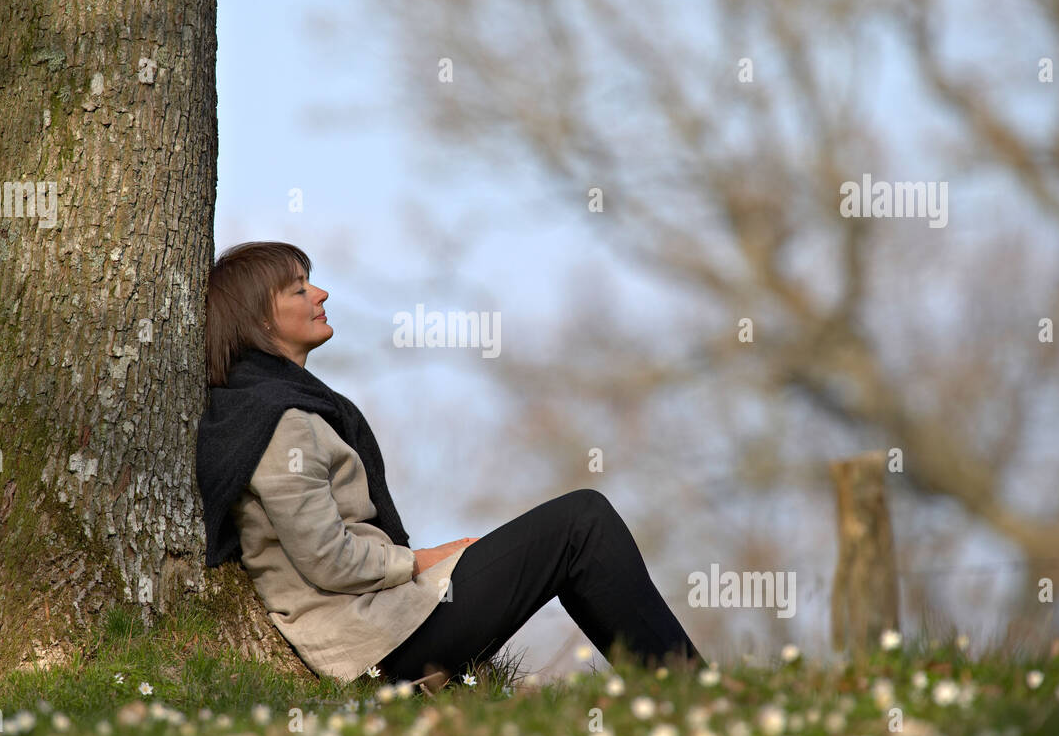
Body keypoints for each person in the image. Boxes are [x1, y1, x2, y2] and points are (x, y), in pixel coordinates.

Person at [196, 241, 705, 692]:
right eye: (298, 288)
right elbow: (328, 560)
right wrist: (424, 559)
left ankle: (673, 688)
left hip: (388, 626)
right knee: (581, 524)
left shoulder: (282, 406)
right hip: (378, 647)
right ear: (260, 319)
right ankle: (691, 693)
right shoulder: (279, 419)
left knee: (576, 530)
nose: (321, 294)